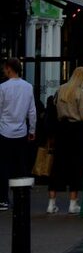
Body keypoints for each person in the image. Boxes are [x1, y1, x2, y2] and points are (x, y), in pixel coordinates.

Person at [47, 66, 83, 214]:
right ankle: (73, 204)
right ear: (82, 78)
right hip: (76, 132)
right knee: (75, 167)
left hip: (61, 130)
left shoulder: (61, 90)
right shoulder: (82, 93)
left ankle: (51, 203)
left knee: (57, 165)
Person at [0, 58, 36, 211]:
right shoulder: (27, 87)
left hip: (4, 131)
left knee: (3, 166)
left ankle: (3, 199)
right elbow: (32, 111)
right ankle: (21, 197)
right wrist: (32, 130)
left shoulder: (2, 87)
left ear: (9, 68)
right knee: (21, 166)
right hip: (21, 131)